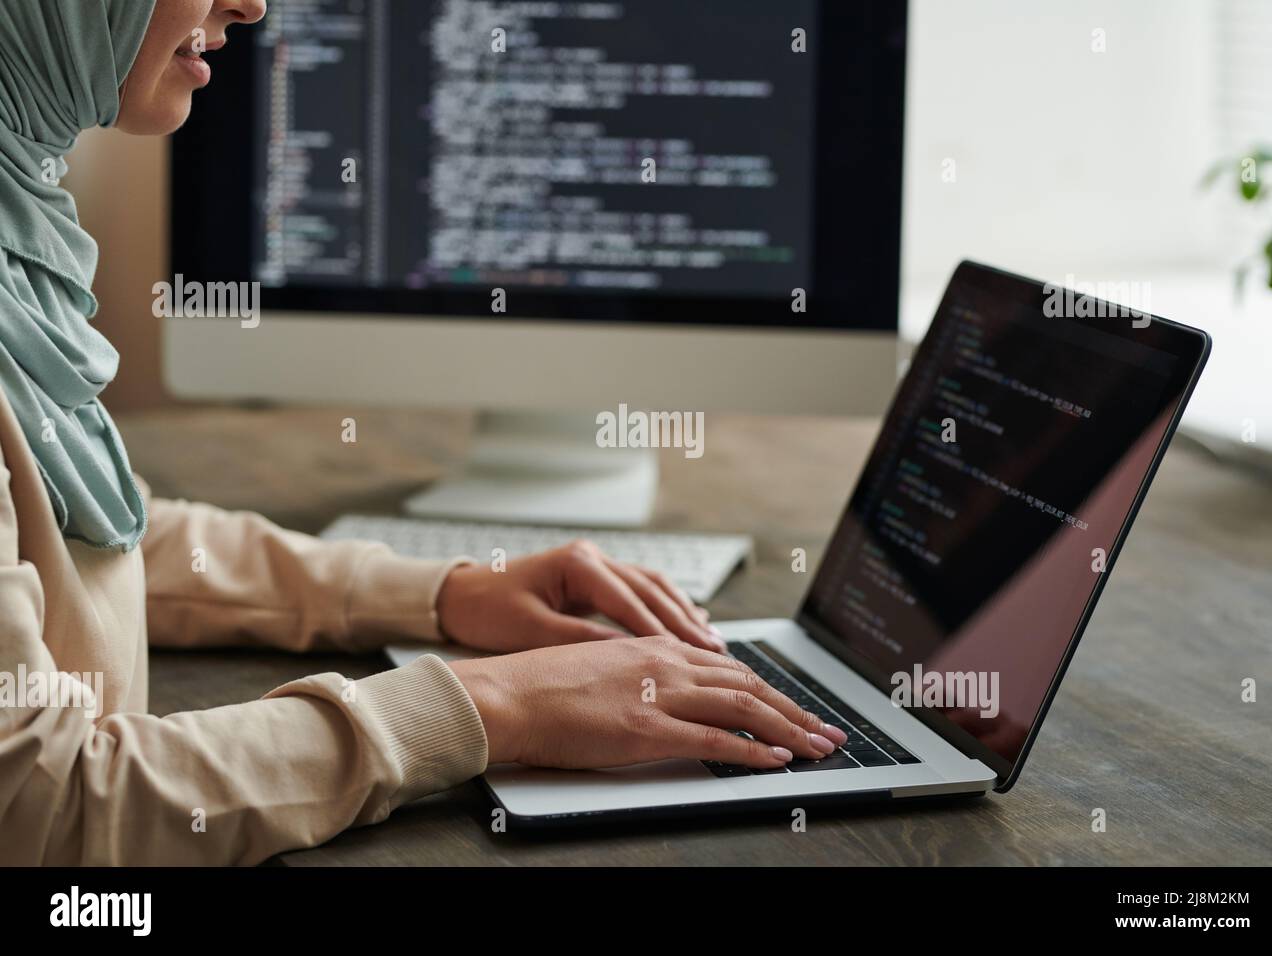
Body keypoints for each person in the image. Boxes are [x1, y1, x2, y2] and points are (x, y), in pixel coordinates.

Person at [0, 0, 846, 865]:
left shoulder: (16, 220)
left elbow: (92, 544)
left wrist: (439, 593)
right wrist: (488, 707)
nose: (250, 4)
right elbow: (46, 805)